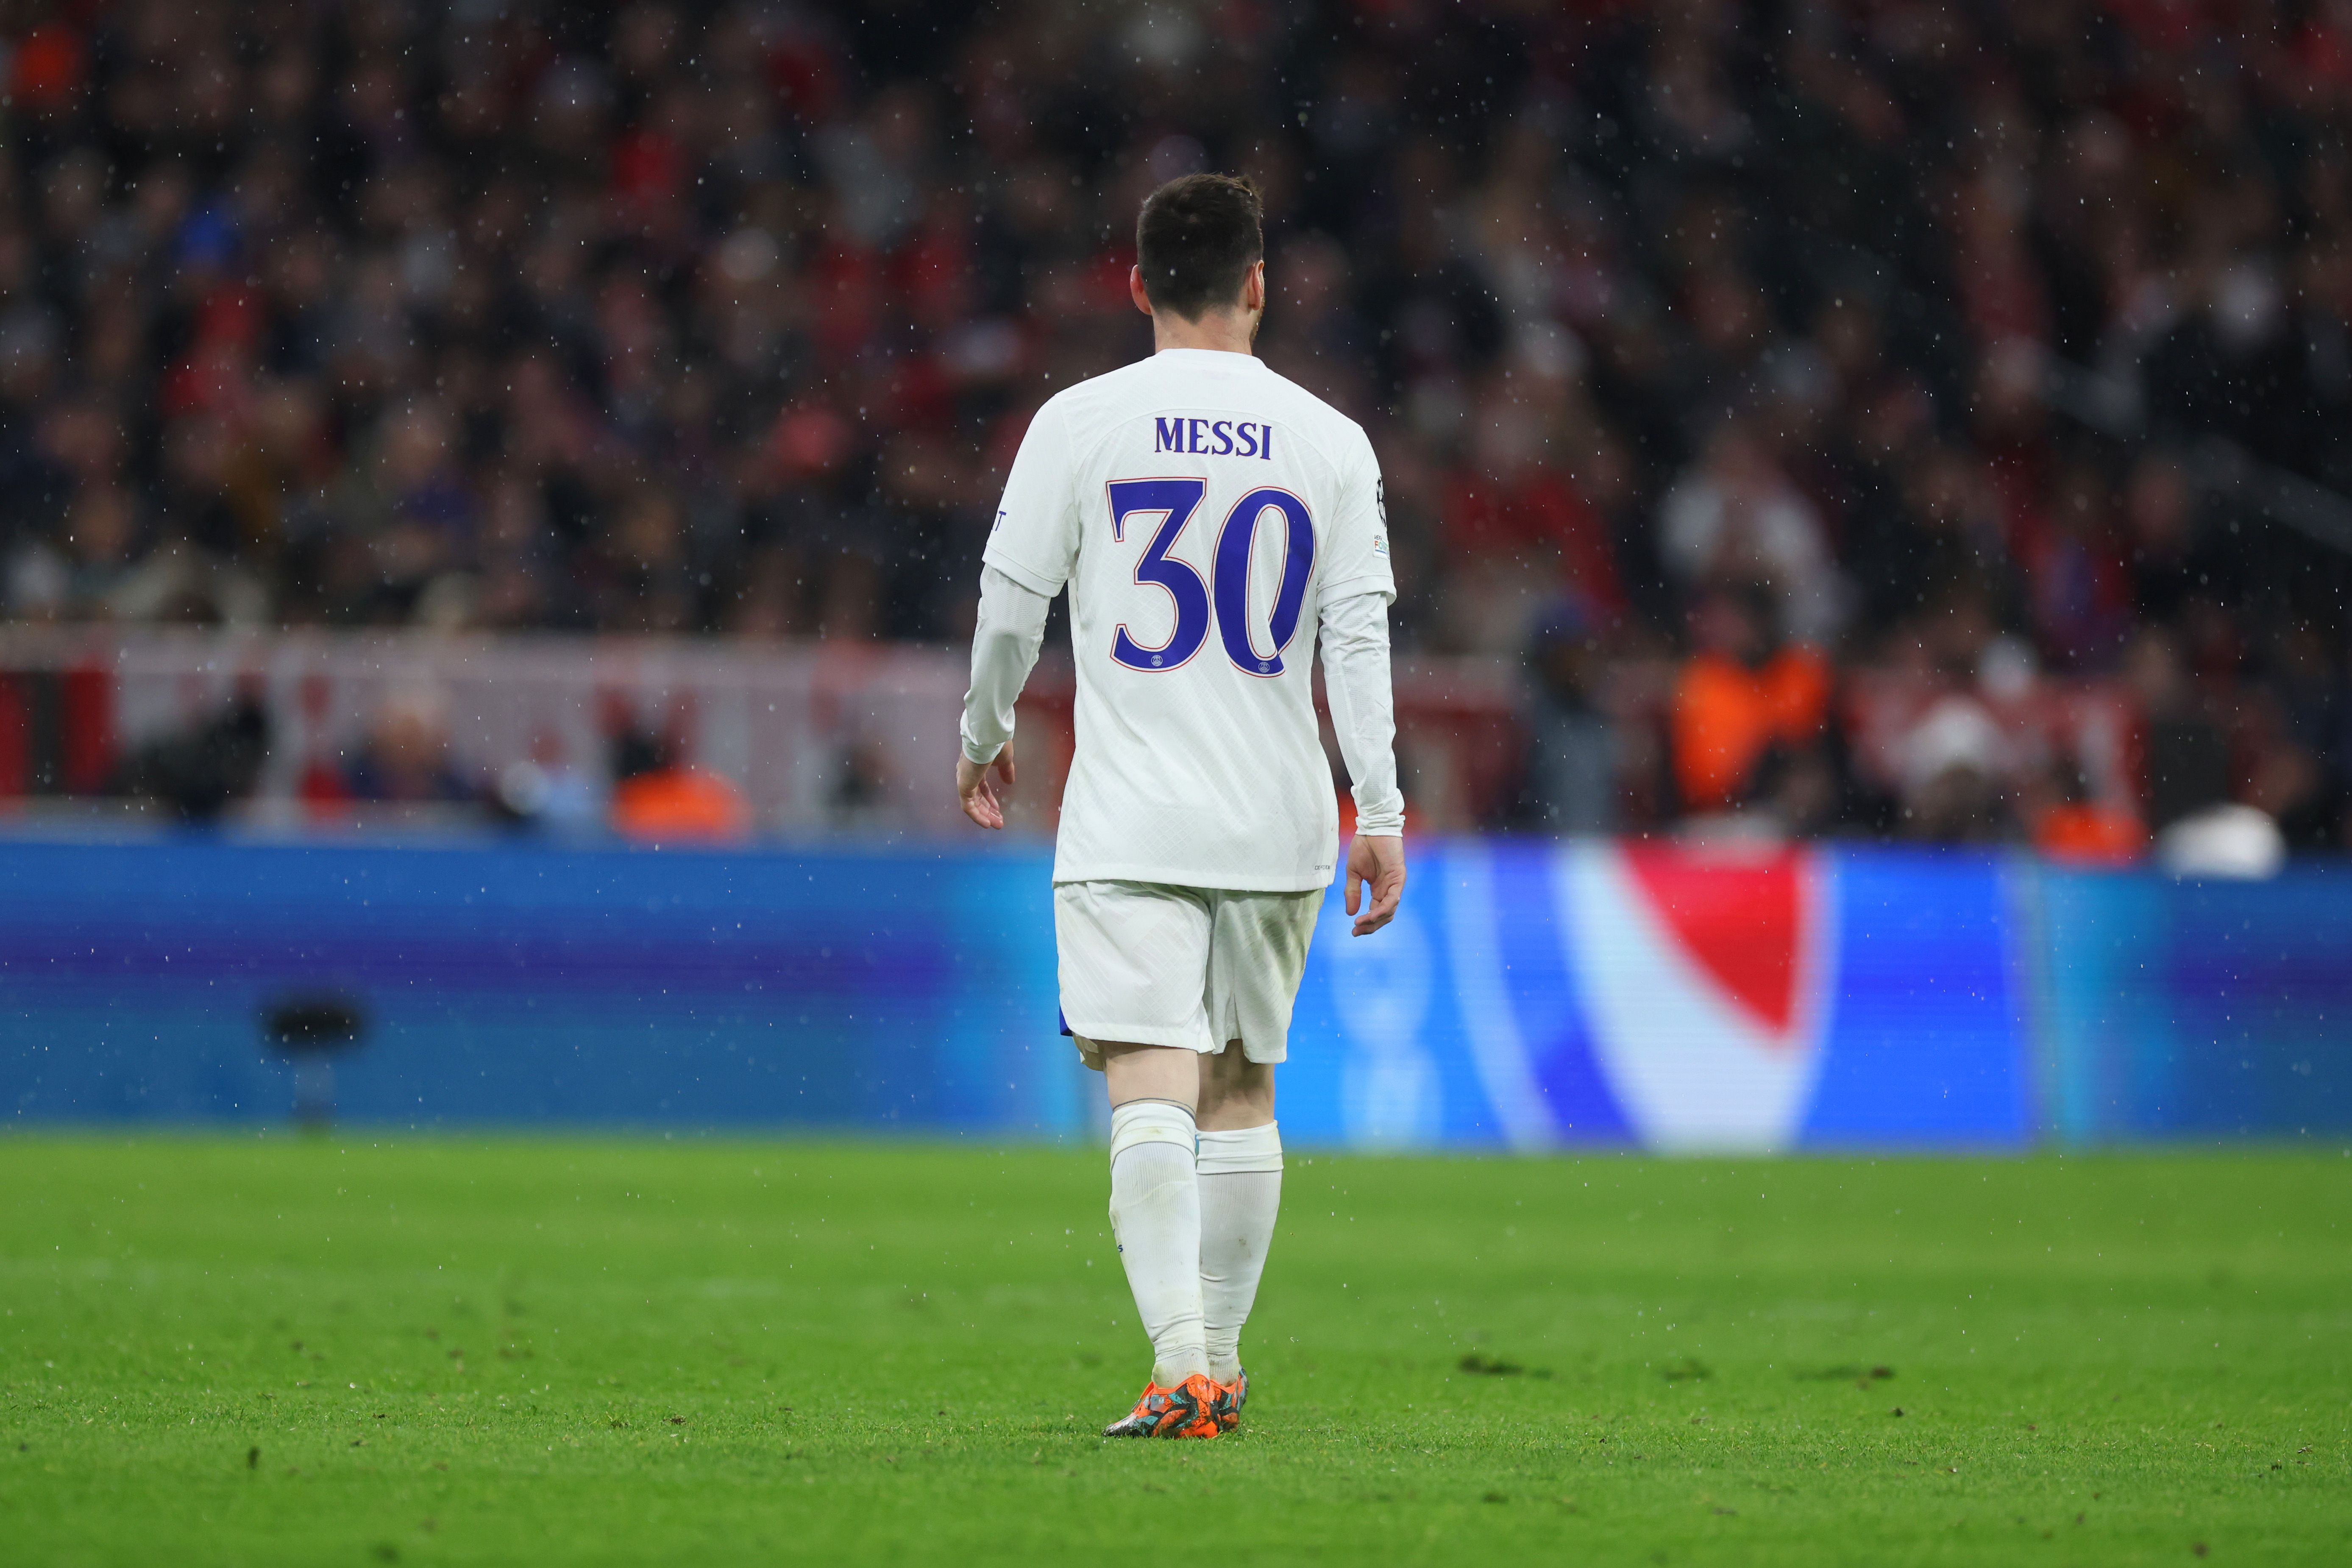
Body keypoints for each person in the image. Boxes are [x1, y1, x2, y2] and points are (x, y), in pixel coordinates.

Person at [954, 174, 1405, 1441]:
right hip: (1276, 819)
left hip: (1133, 819)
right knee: (1246, 1089)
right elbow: (1356, 637)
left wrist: (982, 736)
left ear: (1139, 284)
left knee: (1151, 1088)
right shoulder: (1330, 439)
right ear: (1259, 284)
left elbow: (1007, 603)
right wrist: (1381, 805)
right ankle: (1222, 1357)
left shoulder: (1080, 422)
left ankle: (1181, 1362)